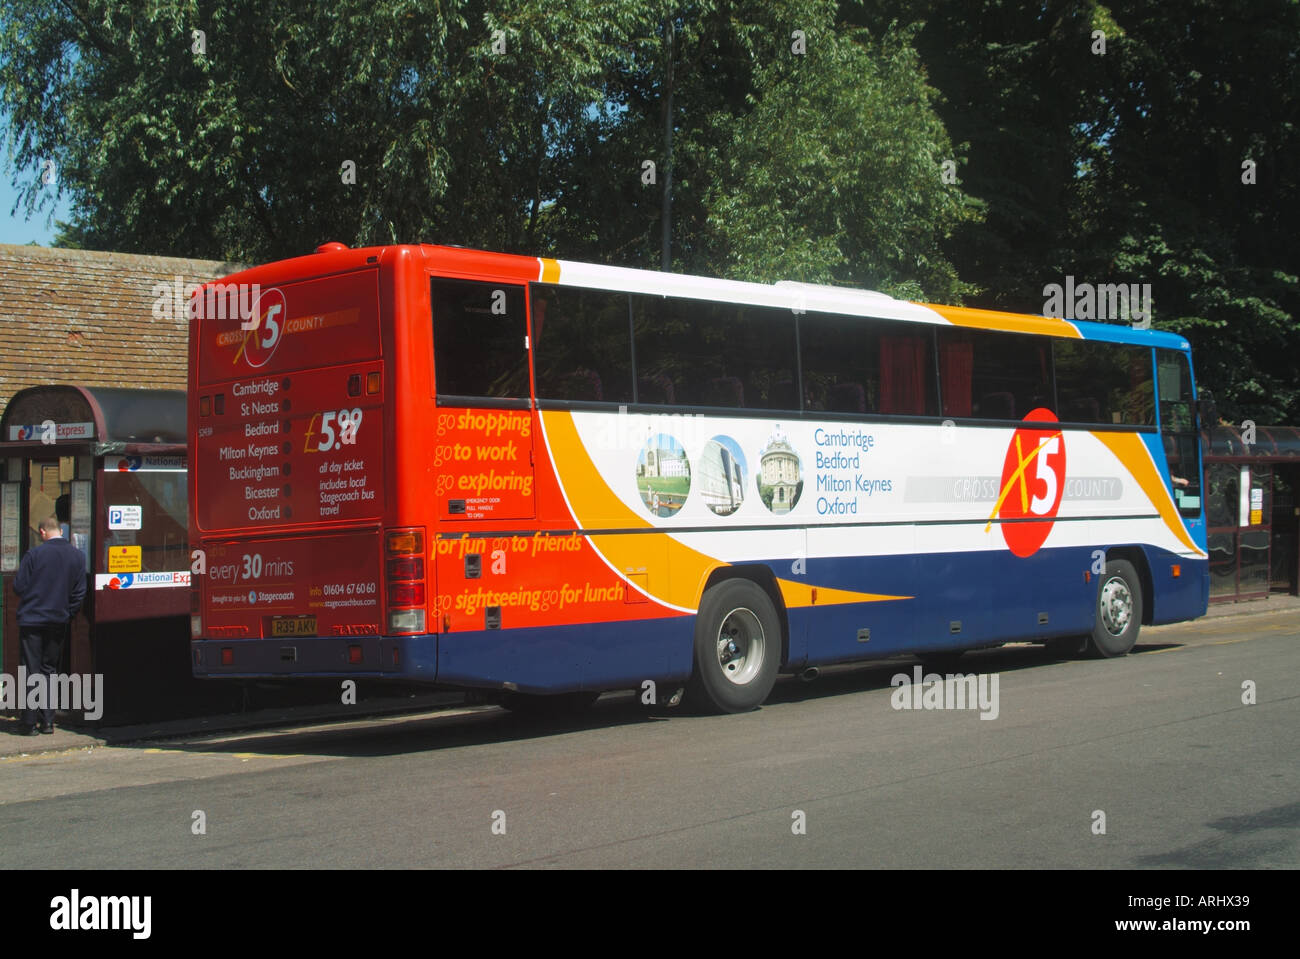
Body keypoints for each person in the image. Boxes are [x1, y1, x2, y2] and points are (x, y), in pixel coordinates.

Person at [13, 515, 86, 735]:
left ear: (42, 532)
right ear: (61, 531)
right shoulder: (77, 556)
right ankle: (48, 721)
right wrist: (67, 612)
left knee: (31, 670)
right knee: (49, 670)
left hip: (32, 620)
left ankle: (28, 722)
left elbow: (18, 586)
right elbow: (79, 592)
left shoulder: (34, 554)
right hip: (57, 620)